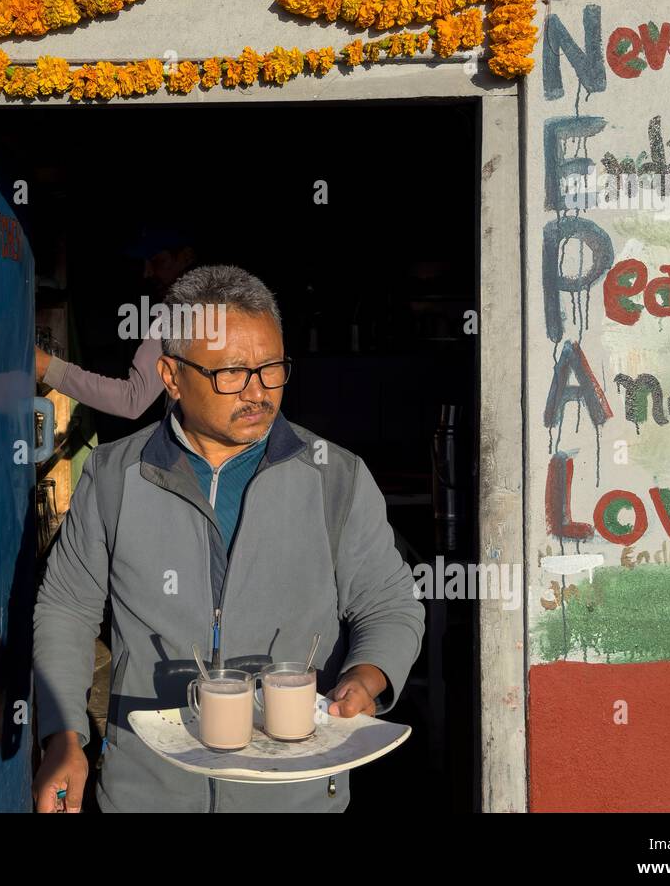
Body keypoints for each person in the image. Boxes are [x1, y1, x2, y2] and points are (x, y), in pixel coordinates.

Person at [31, 264, 424, 812]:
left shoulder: (335, 477)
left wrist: (368, 674)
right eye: (232, 374)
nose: (258, 391)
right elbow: (66, 609)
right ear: (170, 377)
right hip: (148, 789)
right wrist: (64, 736)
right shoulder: (115, 477)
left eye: (272, 370)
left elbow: (389, 605)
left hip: (296, 795)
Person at [34, 235, 195, 419]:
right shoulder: (225, 302)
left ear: (187, 256)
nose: (148, 272)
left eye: (157, 261)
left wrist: (46, 368)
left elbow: (132, 399)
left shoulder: (183, 309)